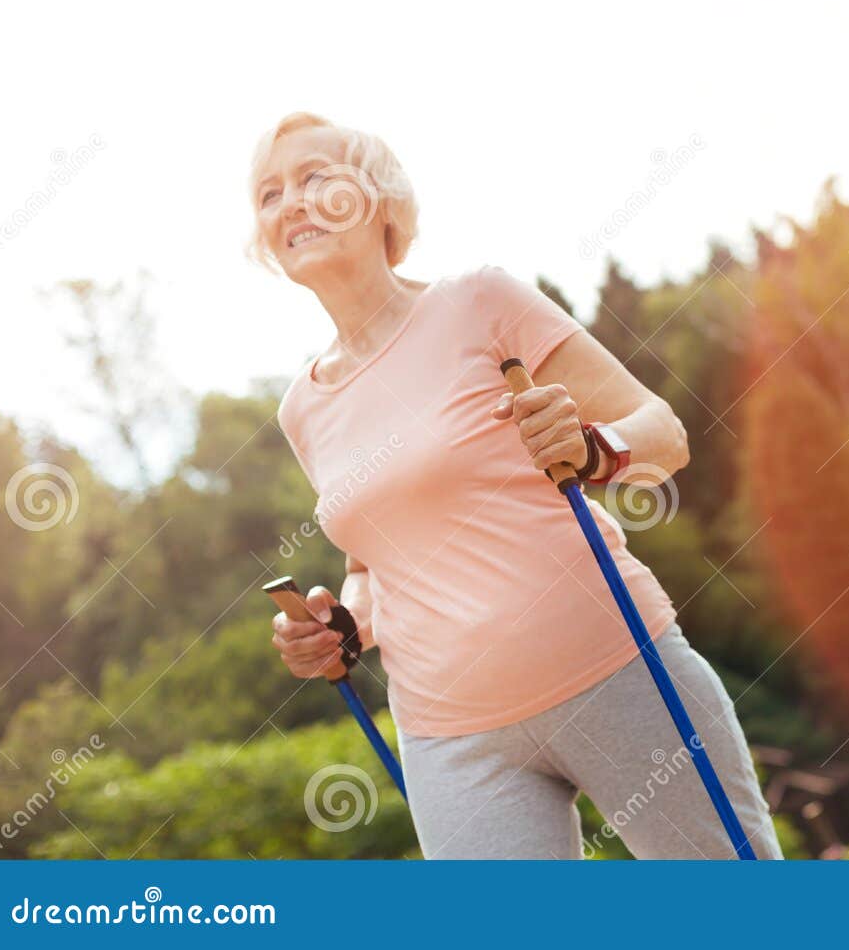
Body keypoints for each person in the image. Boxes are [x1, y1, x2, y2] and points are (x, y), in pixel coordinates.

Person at [253, 111, 779, 859]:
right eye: (269, 193)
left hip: (615, 667)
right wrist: (342, 624)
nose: (291, 202)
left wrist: (594, 450)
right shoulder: (301, 409)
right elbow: (373, 561)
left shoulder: (479, 302)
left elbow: (662, 430)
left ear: (377, 196)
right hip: (451, 739)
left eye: (313, 176)